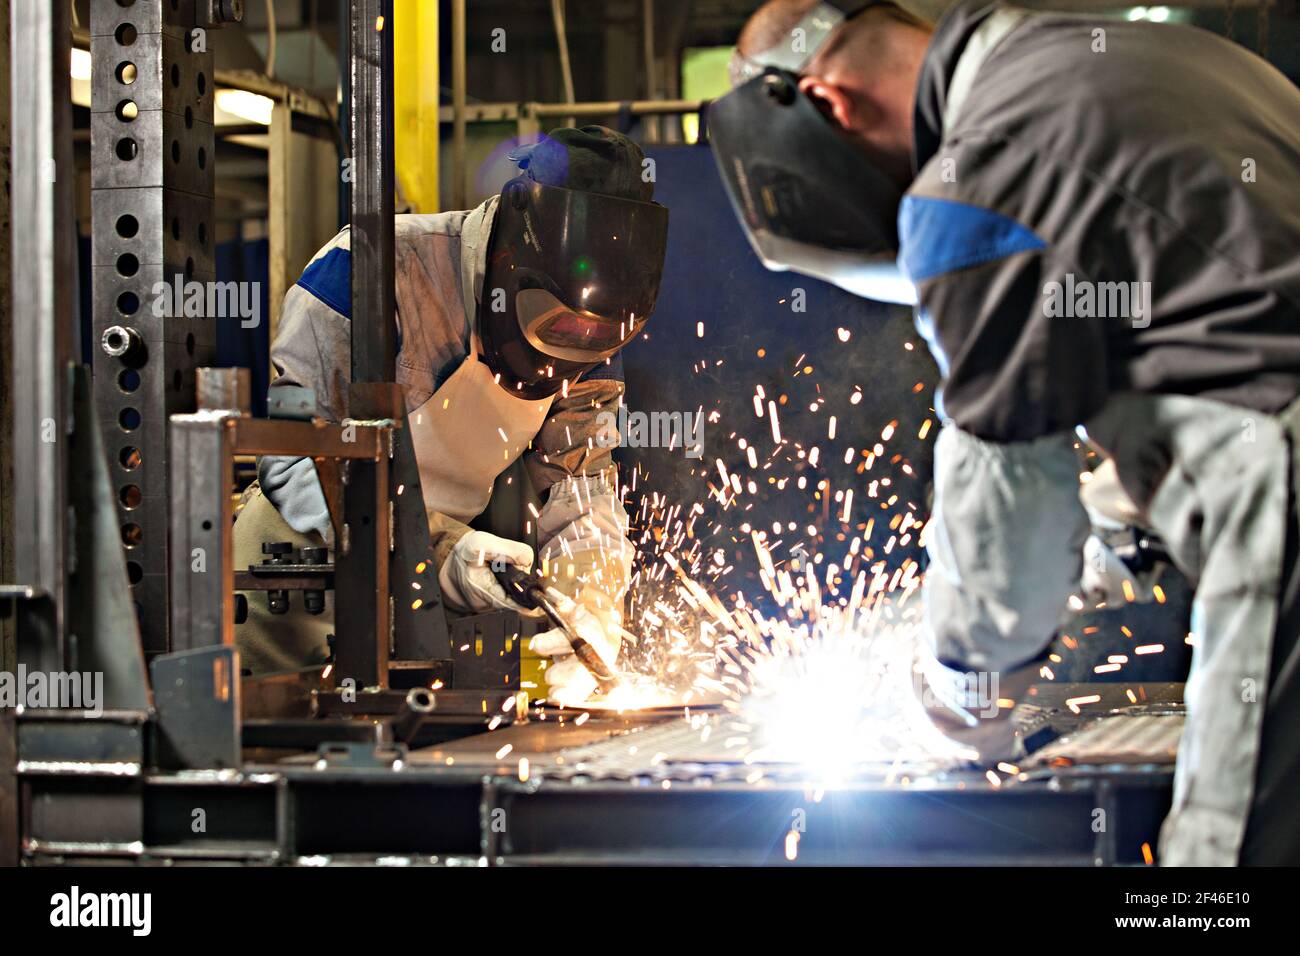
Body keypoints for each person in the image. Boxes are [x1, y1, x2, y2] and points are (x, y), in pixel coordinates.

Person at [711, 1, 1300, 864]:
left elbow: (1005, 501)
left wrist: (956, 696)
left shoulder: (978, 173)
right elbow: (1205, 349)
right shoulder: (1169, 65)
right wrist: (1112, 529)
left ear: (831, 106)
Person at [234, 126, 668, 705]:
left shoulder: (590, 333)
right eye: (560, 326)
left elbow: (580, 487)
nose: (572, 349)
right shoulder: (369, 271)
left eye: (594, 339)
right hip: (301, 578)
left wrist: (591, 599)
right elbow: (295, 464)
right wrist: (443, 549)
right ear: (510, 259)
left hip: (426, 601)